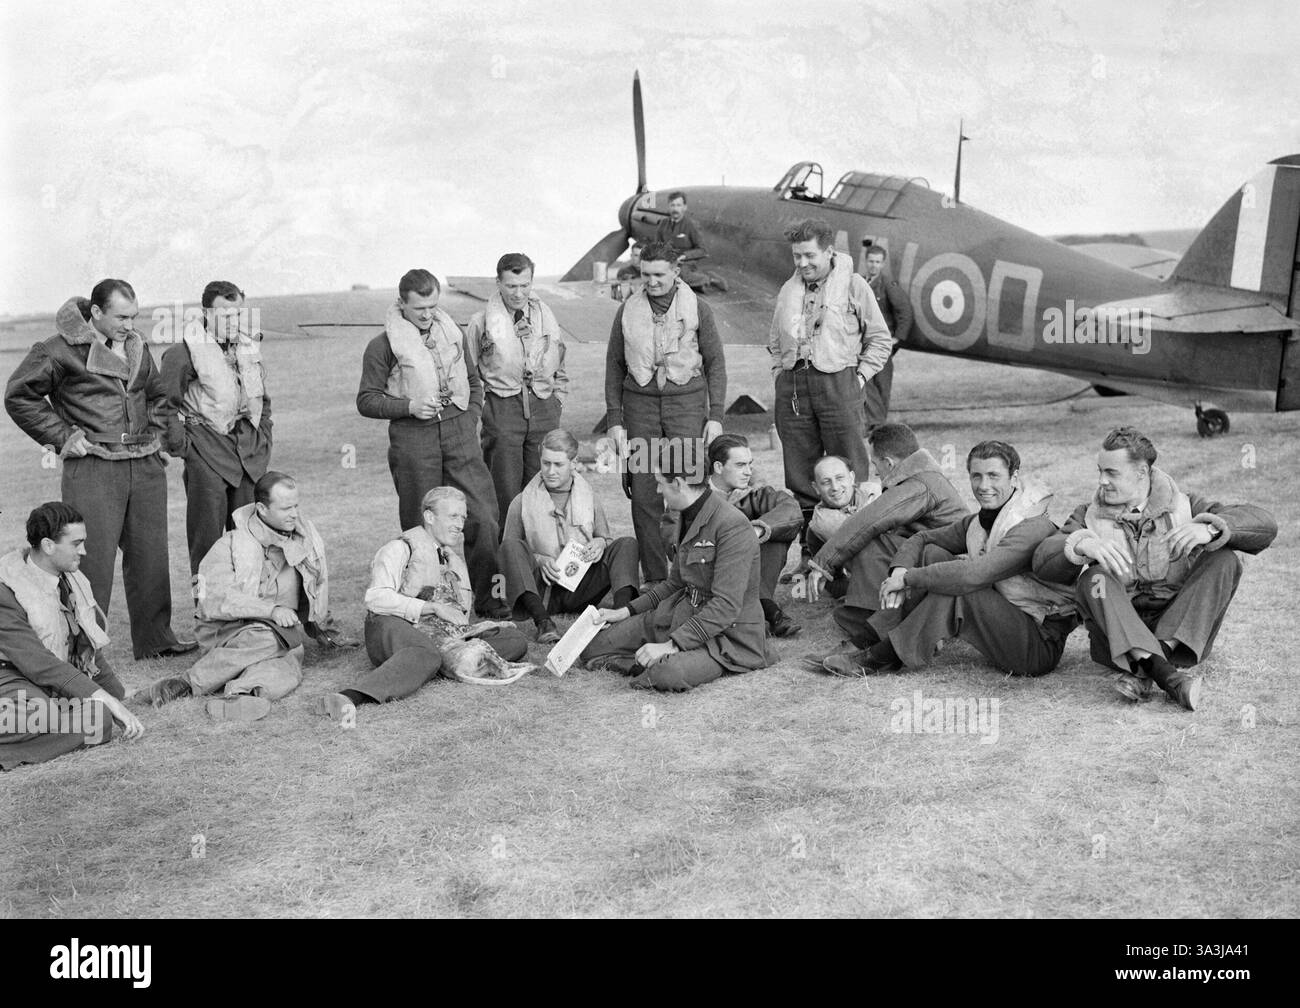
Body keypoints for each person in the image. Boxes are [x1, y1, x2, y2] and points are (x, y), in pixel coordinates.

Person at [5, 279, 195, 659]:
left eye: (134, 316)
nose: (130, 325)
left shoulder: (137, 345)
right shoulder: (57, 349)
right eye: (121, 317)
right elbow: (19, 395)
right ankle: (85, 647)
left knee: (151, 555)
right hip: (93, 465)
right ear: (95, 312)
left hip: (144, 465)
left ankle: (156, 640)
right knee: (89, 559)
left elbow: (158, 397)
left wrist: (157, 439)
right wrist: (63, 436)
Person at [1033, 426, 1277, 711]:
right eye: (1100, 471)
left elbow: (1265, 524)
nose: (1101, 481)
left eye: (1111, 473)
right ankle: (1168, 676)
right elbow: (1043, 562)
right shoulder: (1088, 514)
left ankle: (1150, 664)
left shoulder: (1186, 505)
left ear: (1142, 472)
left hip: (1178, 632)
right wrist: (1082, 544)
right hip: (1117, 635)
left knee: (1224, 559)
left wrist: (1210, 529)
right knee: (1093, 579)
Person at [819, 441, 1079, 678]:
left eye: (993, 476)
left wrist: (909, 579)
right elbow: (921, 539)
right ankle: (868, 639)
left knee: (961, 590)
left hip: (1038, 644)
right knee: (932, 554)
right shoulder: (979, 521)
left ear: (1014, 477)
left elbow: (974, 575)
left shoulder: (1031, 525)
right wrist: (899, 571)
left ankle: (881, 657)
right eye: (976, 476)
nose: (983, 486)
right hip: (1009, 619)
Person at [139, 472, 355, 722]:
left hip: (282, 634)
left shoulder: (305, 541)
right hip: (227, 632)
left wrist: (326, 632)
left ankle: (244, 694)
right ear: (262, 509)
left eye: (296, 506)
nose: (295, 514)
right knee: (273, 640)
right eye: (286, 508)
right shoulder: (228, 545)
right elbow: (212, 600)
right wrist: (270, 611)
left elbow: (318, 588)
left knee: (289, 661)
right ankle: (186, 683)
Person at [357, 269, 506, 617]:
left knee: (484, 517)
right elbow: (366, 400)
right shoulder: (382, 346)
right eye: (419, 308)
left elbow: (473, 380)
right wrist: (408, 407)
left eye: (432, 306)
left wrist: (469, 417)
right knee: (420, 524)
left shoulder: (452, 333)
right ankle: (428, 605)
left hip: (459, 433)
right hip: (413, 438)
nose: (427, 315)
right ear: (401, 304)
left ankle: (490, 600)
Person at [312, 487, 529, 722]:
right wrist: (432, 608)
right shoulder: (399, 548)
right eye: (453, 516)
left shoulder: (453, 560)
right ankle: (349, 696)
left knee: (514, 640)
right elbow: (376, 598)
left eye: (463, 517)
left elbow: (459, 615)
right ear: (429, 517)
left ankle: (429, 666)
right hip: (393, 625)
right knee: (425, 653)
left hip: (439, 635)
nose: (460, 524)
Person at [581, 441, 769, 691]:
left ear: (679, 483)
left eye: (661, 482)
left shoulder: (732, 525)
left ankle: (654, 663)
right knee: (591, 649)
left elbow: (725, 606)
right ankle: (645, 661)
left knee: (665, 673)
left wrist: (671, 645)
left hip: (725, 637)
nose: (659, 489)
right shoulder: (687, 513)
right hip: (682, 615)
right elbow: (674, 584)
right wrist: (625, 611)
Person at [604, 241, 726, 582]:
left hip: (685, 407)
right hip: (641, 409)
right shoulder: (627, 310)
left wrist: (716, 416)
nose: (652, 281)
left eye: (659, 274)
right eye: (646, 274)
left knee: (689, 490)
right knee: (644, 495)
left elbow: (715, 363)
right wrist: (615, 420)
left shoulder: (698, 308)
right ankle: (657, 580)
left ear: (676, 271)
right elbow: (614, 366)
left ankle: (692, 576)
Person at [768, 219, 893, 540]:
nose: (802, 263)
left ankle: (858, 547)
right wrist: (780, 375)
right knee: (800, 473)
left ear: (828, 252)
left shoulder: (854, 285)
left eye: (810, 255)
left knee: (850, 469)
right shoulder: (788, 290)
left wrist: (859, 378)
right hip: (793, 389)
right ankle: (810, 548)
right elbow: (775, 341)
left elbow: (880, 340)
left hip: (839, 385)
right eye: (797, 256)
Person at [0, 503, 144, 770]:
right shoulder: (5, 589)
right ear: (48, 545)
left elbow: (86, 646)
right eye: (76, 544)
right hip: (9, 680)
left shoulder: (69, 579)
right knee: (41, 712)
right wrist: (102, 696)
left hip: (42, 689)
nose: (84, 551)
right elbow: (38, 663)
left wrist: (116, 695)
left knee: (98, 718)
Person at [804, 424, 967, 650]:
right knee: (880, 542)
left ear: (889, 463)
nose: (876, 472)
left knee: (871, 540)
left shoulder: (917, 484)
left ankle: (882, 622)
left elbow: (868, 521)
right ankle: (876, 615)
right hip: (939, 558)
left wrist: (822, 564)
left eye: (875, 464)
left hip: (947, 566)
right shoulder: (923, 477)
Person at [161, 280, 274, 577]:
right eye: (225, 315)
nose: (233, 321)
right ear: (206, 313)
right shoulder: (181, 354)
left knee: (250, 539)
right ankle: (207, 605)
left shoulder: (247, 349)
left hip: (248, 455)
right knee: (208, 544)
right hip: (206, 452)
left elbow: (262, 399)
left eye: (237, 314)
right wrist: (185, 448)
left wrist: (264, 437)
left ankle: (249, 604)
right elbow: (163, 405)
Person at [498, 429, 640, 643]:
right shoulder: (521, 501)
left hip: (581, 585)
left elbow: (606, 539)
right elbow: (509, 554)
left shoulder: (590, 495)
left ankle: (620, 616)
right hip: (542, 590)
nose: (550, 471)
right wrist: (539, 559)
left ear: (573, 463)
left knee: (627, 544)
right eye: (546, 463)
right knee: (510, 545)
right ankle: (543, 623)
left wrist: (600, 543)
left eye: (558, 464)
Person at [466, 253, 569, 524]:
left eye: (525, 285)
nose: (519, 293)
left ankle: (541, 547)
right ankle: (505, 548)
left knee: (545, 487)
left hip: (543, 407)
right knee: (504, 490)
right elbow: (469, 374)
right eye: (511, 286)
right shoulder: (480, 322)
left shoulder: (545, 316)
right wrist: (485, 410)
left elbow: (559, 359)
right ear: (498, 282)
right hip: (502, 409)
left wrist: (557, 401)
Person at [678, 433, 803, 637]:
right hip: (707, 574)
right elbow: (672, 539)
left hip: (746, 573)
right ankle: (766, 610)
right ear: (718, 467)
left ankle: (760, 607)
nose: (748, 472)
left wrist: (756, 530)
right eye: (740, 465)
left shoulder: (754, 491)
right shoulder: (691, 493)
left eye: (750, 464)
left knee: (774, 534)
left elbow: (791, 510)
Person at [861, 246, 913, 431]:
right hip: (864, 341)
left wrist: (897, 338)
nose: (874, 265)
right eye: (871, 261)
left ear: (882, 264)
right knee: (866, 380)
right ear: (866, 261)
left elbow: (904, 310)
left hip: (882, 342)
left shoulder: (888, 284)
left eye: (877, 262)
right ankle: (877, 423)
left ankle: (877, 424)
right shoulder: (861, 282)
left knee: (882, 384)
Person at [654, 192, 725, 292]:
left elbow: (702, 250)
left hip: (685, 262)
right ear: (668, 207)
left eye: (678, 205)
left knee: (679, 275)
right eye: (672, 205)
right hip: (668, 261)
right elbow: (657, 246)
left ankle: (709, 278)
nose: (675, 209)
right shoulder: (663, 224)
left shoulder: (691, 225)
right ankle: (698, 285)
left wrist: (684, 256)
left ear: (684, 207)